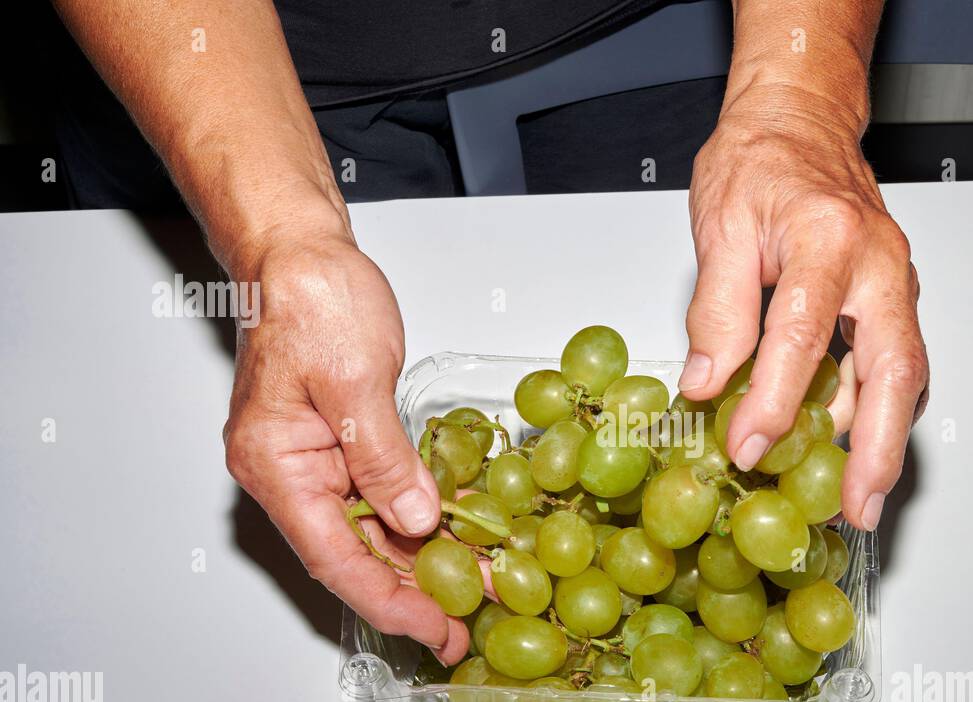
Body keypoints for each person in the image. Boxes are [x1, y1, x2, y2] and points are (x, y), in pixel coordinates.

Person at [52, 0, 928, 664]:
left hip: (644, 30)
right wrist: (281, 241)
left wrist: (795, 105)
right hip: (245, 58)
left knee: (753, 307)